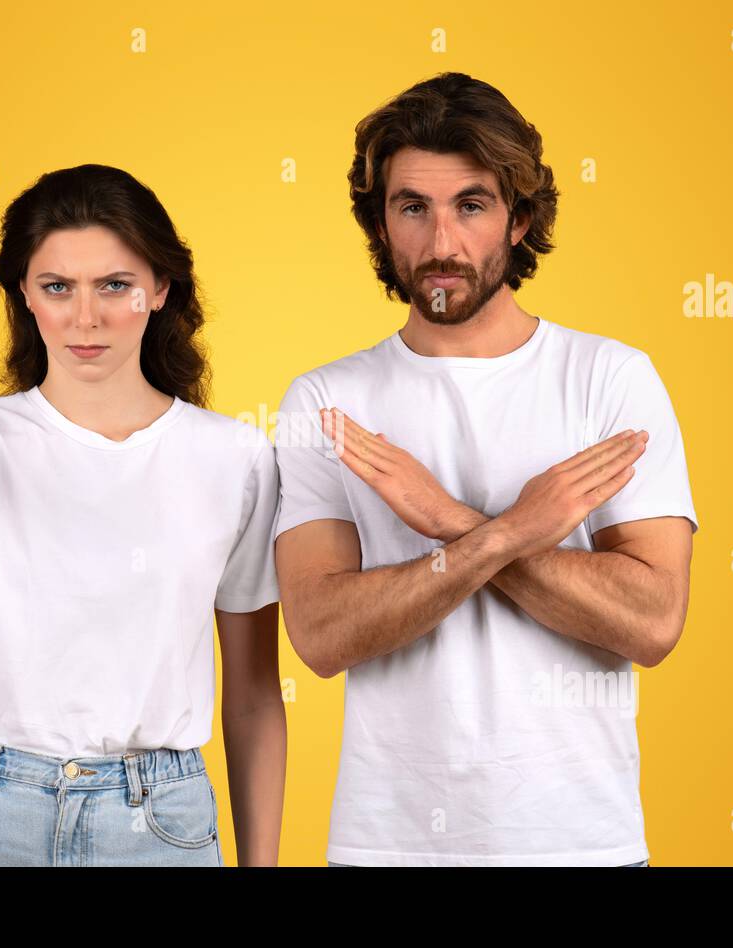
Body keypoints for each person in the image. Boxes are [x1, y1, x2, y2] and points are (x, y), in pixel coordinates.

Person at [273, 73, 698, 866]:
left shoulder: (610, 378)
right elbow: (322, 637)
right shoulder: (327, 399)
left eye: (471, 205)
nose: (441, 245)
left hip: (584, 848)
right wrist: (501, 535)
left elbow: (652, 622)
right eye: (412, 207)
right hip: (387, 849)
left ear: (520, 218)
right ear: (379, 222)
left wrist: (453, 522)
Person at [0, 165, 285, 866]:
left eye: (115, 285)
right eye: (57, 286)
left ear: (160, 289)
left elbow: (250, 697)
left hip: (161, 824)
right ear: (25, 296)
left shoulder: (235, 456)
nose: (85, 317)